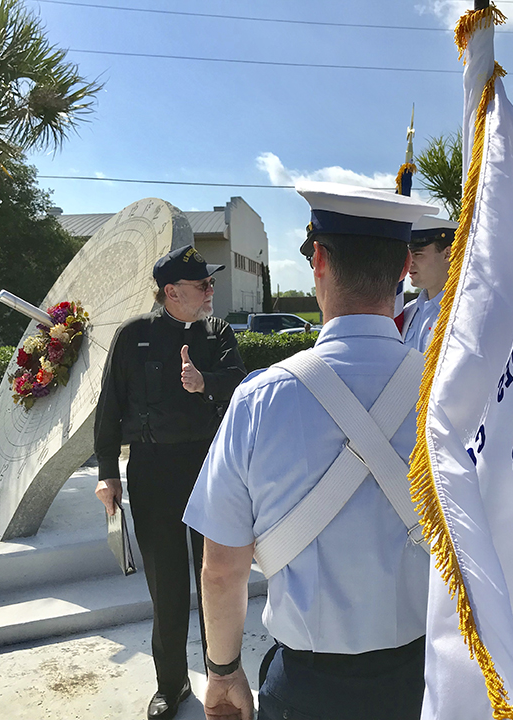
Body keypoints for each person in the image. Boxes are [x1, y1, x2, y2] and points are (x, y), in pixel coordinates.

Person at [183, 181, 438, 720]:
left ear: (318, 259)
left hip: (305, 690)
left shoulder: (259, 400)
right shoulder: (448, 396)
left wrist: (224, 672)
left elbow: (223, 568)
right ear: (401, 268)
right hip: (427, 684)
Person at [94, 244, 246, 720]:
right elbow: (109, 407)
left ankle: (219, 678)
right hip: (152, 470)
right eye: (203, 284)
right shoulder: (133, 336)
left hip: (207, 468)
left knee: (214, 579)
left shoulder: (217, 332)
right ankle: (171, 684)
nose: (210, 291)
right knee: (166, 584)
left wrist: (207, 382)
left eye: (210, 282)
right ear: (171, 292)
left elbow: (241, 381)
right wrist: (106, 473)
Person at [401, 216, 459, 352]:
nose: (409, 262)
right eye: (408, 255)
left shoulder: (465, 312)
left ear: (448, 254)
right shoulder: (409, 311)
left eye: (418, 254)